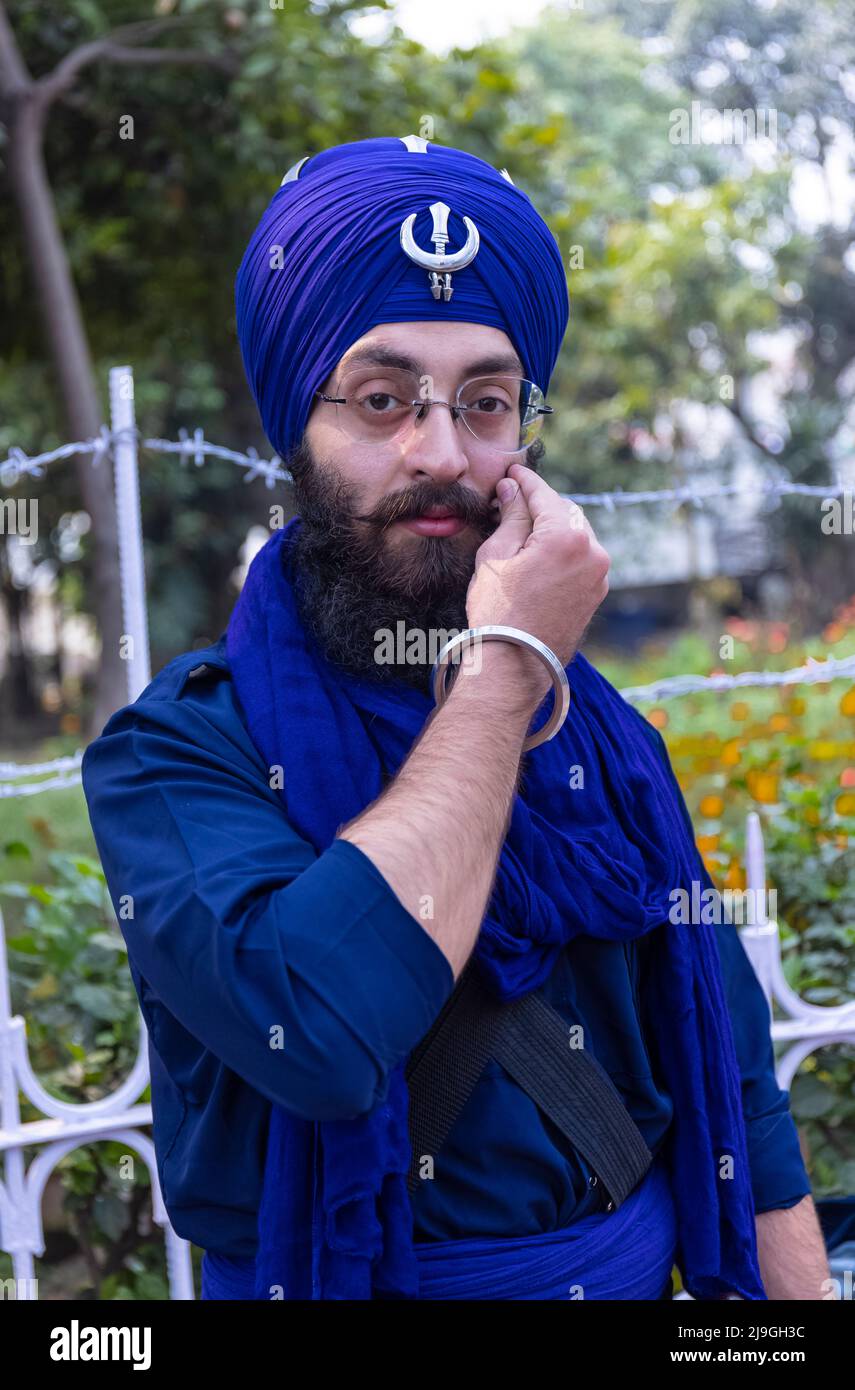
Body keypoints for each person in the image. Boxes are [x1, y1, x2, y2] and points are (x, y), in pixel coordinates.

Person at [81, 135, 829, 1301]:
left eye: (485, 402)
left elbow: (737, 1088)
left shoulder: (603, 739)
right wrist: (507, 667)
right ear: (298, 426)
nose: (441, 453)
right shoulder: (177, 754)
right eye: (382, 400)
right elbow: (321, 1033)